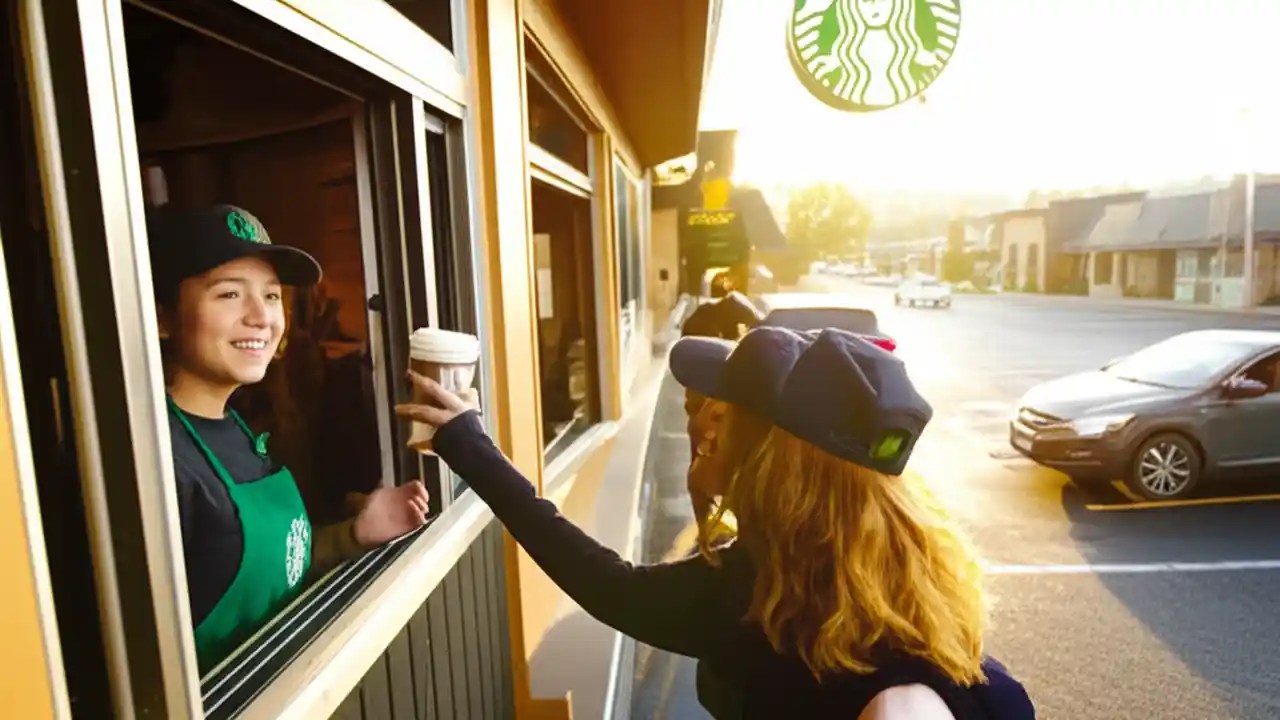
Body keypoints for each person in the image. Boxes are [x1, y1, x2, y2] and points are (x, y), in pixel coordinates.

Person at [397, 326, 1036, 719]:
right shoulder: (887, 549)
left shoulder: (760, 597)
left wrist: (468, 444)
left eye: (726, 414)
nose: (705, 422)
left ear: (767, 459)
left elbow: (607, 585)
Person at [149, 204, 430, 672]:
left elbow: (278, 573)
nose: (261, 316)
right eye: (229, 294)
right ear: (164, 318)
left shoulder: (238, 426)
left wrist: (354, 535)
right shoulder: (157, 460)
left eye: (273, 295)